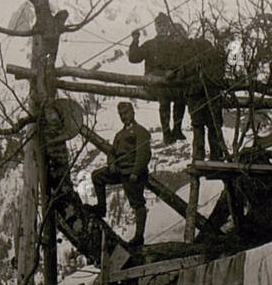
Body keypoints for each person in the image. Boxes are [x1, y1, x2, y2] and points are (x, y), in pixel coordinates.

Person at [91, 101, 151, 246]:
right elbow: (112, 153)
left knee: (137, 203)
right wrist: (112, 163)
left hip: (132, 172)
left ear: (132, 113)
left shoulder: (141, 132)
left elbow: (144, 154)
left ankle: (139, 236)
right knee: (96, 176)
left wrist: (136, 172)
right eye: (121, 115)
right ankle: (101, 207)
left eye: (126, 113)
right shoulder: (119, 135)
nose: (124, 117)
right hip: (120, 171)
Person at [128, 14, 189, 144]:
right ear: (156, 27)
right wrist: (135, 40)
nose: (162, 28)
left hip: (170, 81)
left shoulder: (174, 45)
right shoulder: (150, 45)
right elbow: (133, 58)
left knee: (181, 95)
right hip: (153, 82)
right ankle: (167, 132)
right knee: (164, 95)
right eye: (159, 25)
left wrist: (173, 72)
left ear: (168, 27)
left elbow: (181, 63)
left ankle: (177, 129)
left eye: (165, 25)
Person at [171, 36, 229, 161]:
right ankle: (216, 155)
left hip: (196, 94)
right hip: (210, 94)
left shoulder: (187, 54)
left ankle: (199, 155)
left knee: (199, 126)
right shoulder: (216, 54)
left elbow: (181, 75)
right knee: (213, 125)